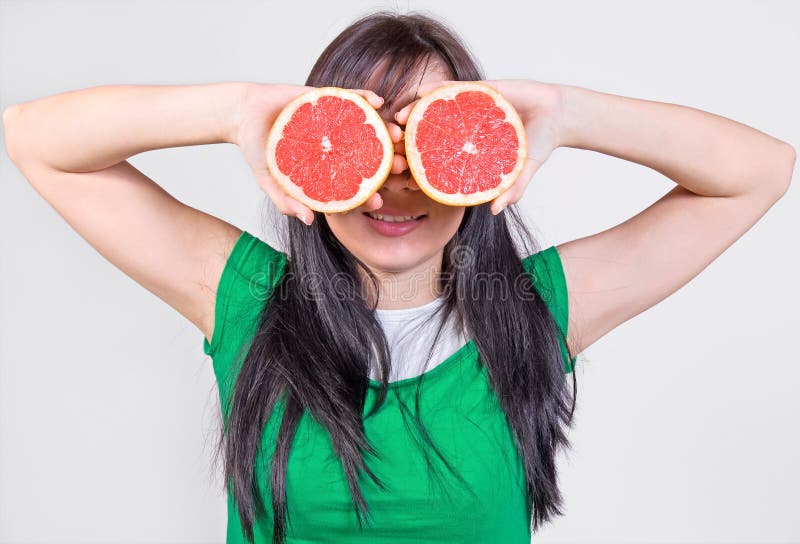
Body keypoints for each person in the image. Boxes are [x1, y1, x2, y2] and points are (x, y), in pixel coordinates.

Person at [3, 9, 794, 544]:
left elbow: (758, 170)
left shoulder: (541, 308)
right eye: (365, 143)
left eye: (426, 140)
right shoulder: (245, 299)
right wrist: (236, 110)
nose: (392, 184)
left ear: (477, 158)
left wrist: (565, 111)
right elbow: (36, 139)